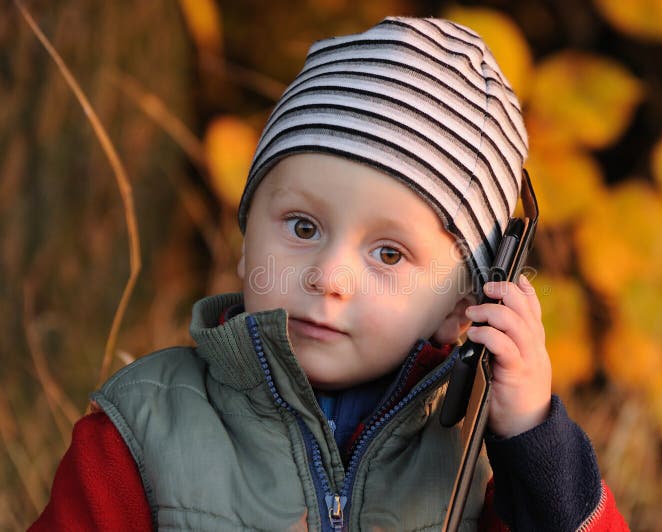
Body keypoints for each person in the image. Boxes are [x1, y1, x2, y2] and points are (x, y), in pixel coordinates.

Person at [31, 17, 628, 531]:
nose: (329, 276)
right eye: (302, 227)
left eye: (389, 254)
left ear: (459, 305)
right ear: (246, 242)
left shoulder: (468, 458)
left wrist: (531, 437)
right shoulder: (141, 429)